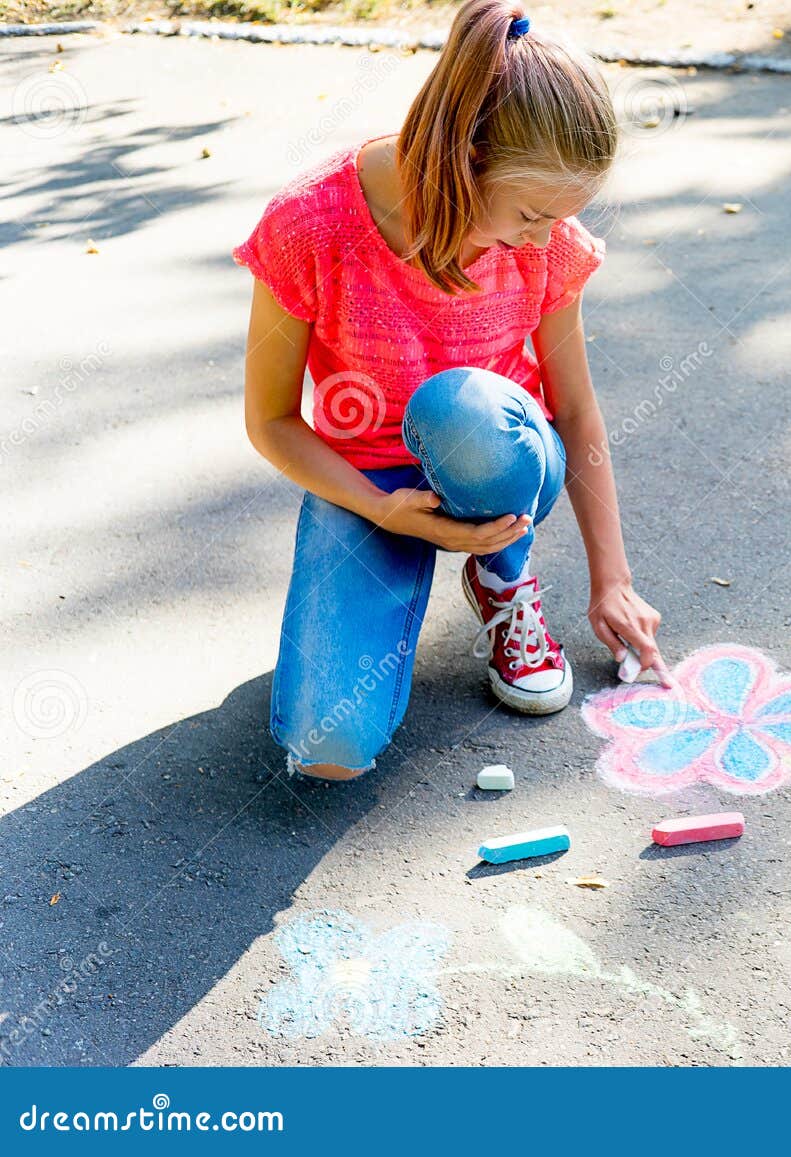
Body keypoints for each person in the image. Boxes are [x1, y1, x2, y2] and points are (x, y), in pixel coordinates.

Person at [235, 0, 669, 782]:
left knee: (458, 410)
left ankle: (503, 574)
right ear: (463, 157)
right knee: (328, 750)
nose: (544, 239)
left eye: (560, 218)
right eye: (532, 214)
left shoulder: (547, 247)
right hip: (365, 482)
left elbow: (574, 410)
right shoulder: (311, 226)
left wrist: (615, 581)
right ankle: (367, 610)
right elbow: (269, 420)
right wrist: (378, 507)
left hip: (496, 459)